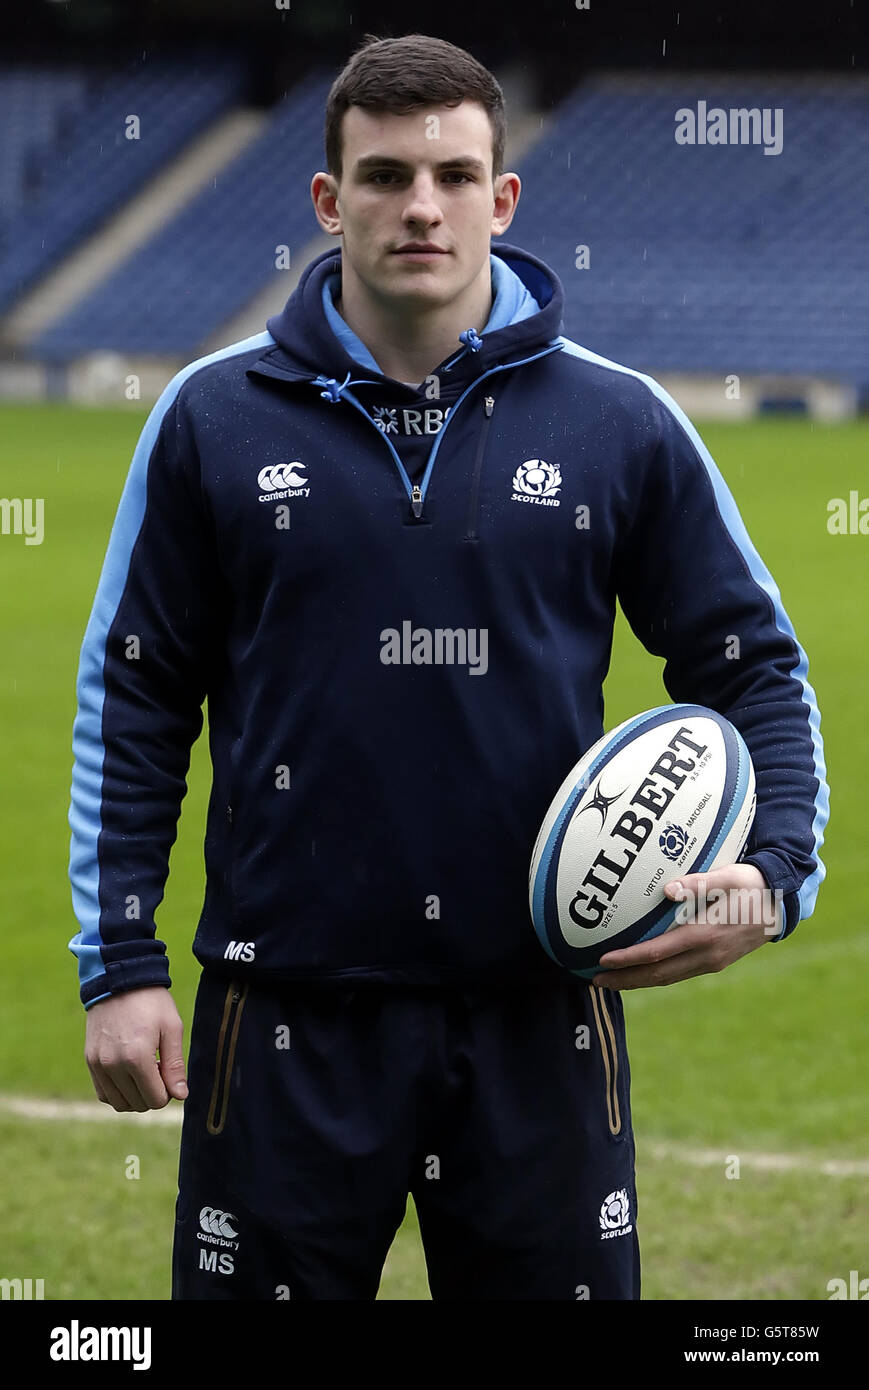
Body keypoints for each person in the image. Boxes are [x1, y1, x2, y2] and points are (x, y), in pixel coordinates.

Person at [68, 32, 828, 1301]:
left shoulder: (619, 421)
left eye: (453, 175)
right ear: (328, 199)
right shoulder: (212, 413)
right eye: (381, 175)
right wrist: (122, 965)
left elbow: (752, 665)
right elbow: (137, 688)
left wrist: (775, 869)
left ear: (501, 195)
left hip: (536, 1017)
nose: (420, 204)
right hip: (285, 1013)